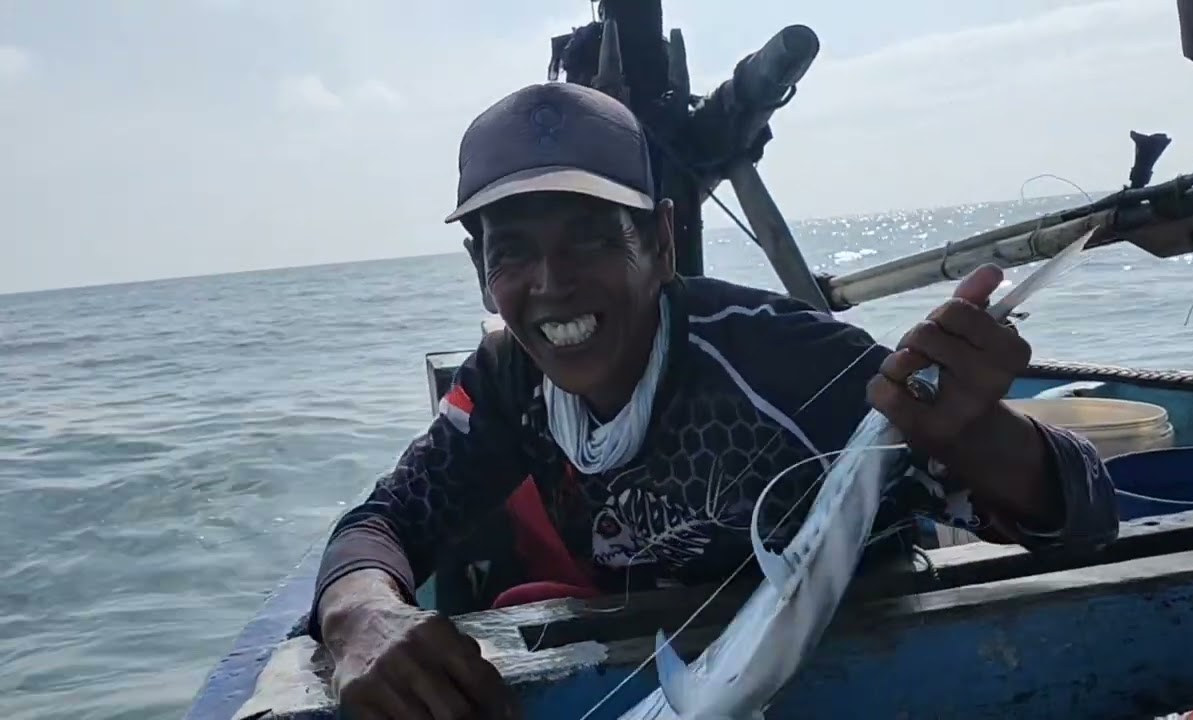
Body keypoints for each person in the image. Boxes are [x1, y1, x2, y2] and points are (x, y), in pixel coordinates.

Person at [308, 82, 1119, 720]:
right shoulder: (507, 379)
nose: (551, 285)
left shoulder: (782, 363)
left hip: (865, 668)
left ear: (660, 241)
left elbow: (1085, 519)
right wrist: (360, 617)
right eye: (512, 250)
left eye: (591, 236)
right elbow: (386, 521)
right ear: (478, 267)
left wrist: (982, 433)